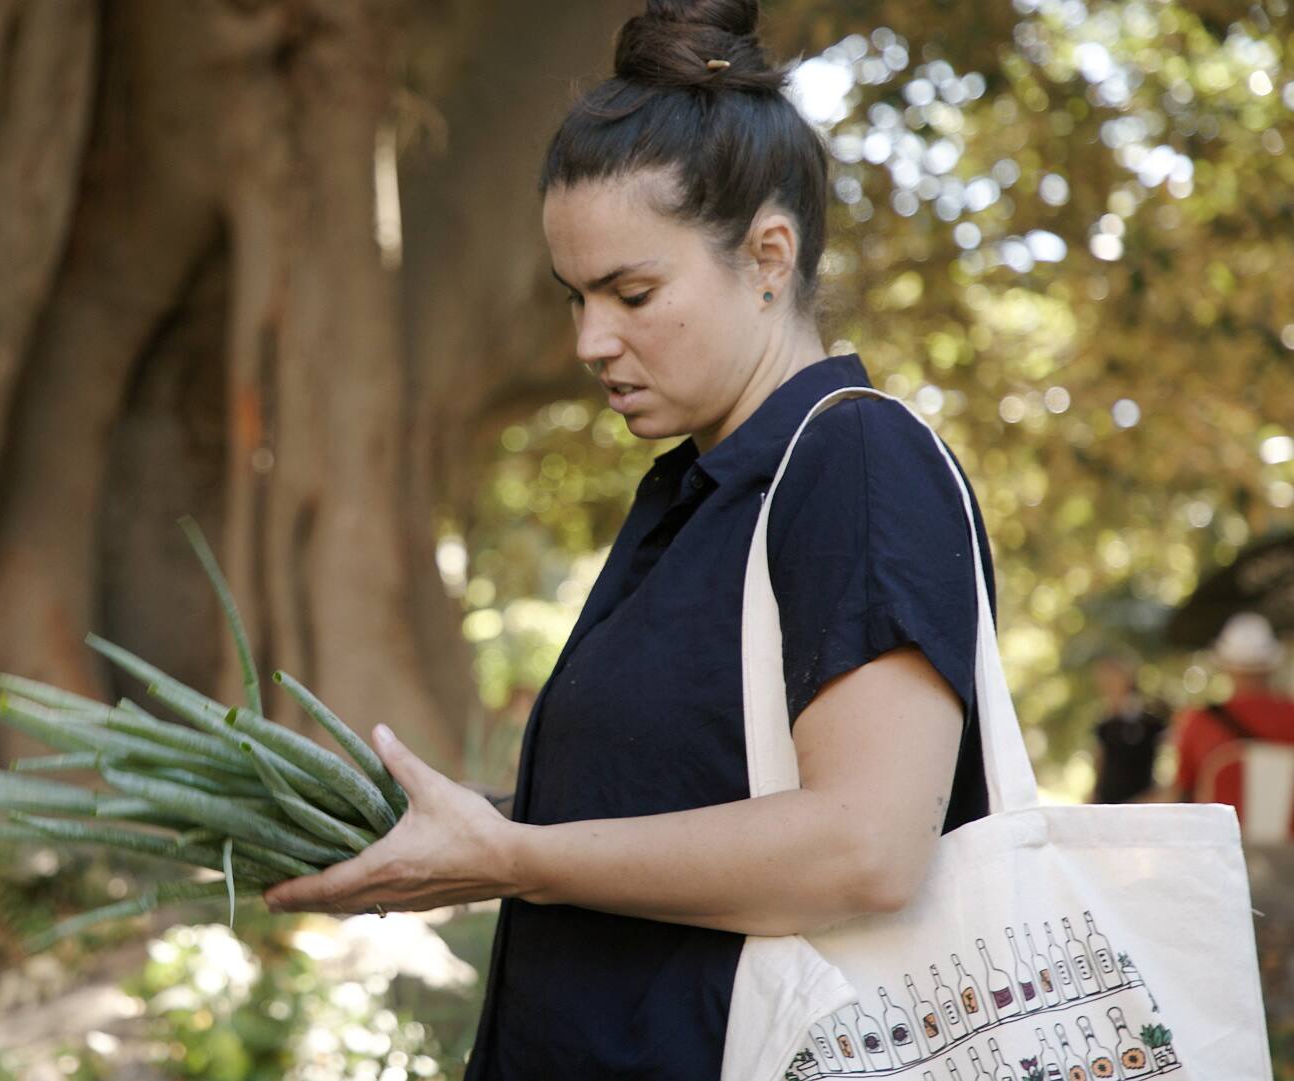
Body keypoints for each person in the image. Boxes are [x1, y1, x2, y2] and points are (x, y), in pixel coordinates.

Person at [262, 1, 1000, 1075]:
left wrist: (517, 856)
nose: (590, 341)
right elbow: (672, 810)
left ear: (768, 254)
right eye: (574, 297)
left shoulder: (856, 463)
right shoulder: (693, 495)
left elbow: (867, 846)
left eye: (632, 291)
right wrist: (472, 839)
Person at [1171, 611, 1294, 818]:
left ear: (1226, 666)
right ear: (1271, 667)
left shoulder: (1199, 722)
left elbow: (1180, 789)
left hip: (1219, 845)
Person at [1088, 647, 1169, 804]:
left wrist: (1155, 797)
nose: (1107, 685)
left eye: (1112, 677)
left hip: (1140, 806)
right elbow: (1101, 764)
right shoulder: (1104, 724)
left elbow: (1168, 761)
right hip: (1108, 806)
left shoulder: (1149, 722)